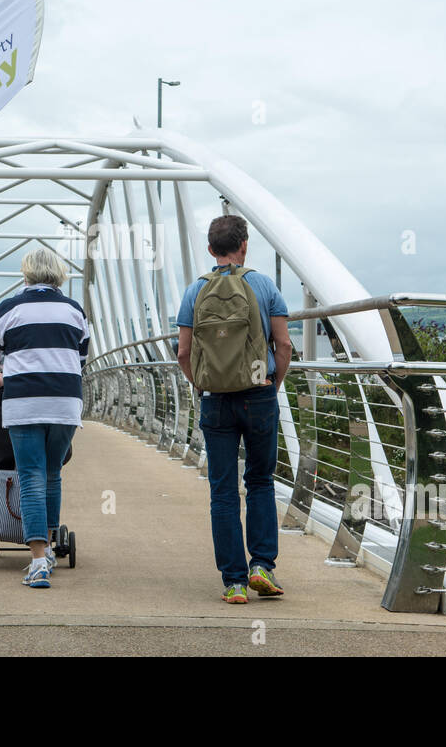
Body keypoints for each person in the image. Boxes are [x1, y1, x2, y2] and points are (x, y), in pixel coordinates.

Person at [176, 214, 292, 604]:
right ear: (244, 246)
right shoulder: (263, 285)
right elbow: (284, 346)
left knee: (223, 491)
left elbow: (184, 352)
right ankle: (262, 566)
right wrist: (271, 384)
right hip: (258, 394)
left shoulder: (195, 292)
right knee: (260, 480)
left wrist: (203, 384)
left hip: (216, 401)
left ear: (211, 250)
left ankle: (234, 582)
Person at [0, 246, 90, 588]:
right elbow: (79, 361)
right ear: (59, 276)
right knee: (52, 473)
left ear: (25, 275)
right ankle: (50, 545)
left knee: (30, 477)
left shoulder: (7, 309)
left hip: (24, 404)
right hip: (65, 405)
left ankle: (38, 561)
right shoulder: (75, 311)